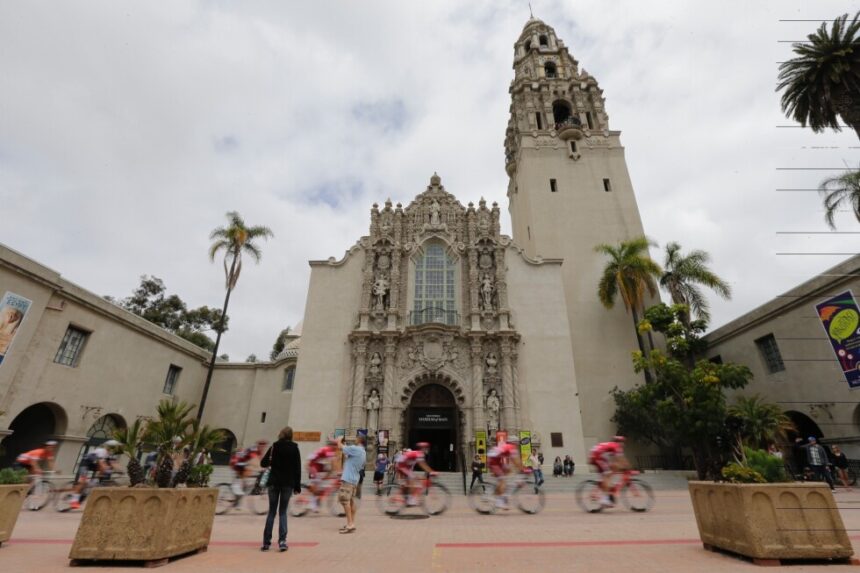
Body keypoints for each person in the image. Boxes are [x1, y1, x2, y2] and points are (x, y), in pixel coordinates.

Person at [260, 426, 301, 552]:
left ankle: (266, 542)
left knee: (271, 512)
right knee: (283, 512)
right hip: (287, 484)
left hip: (273, 483)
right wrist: (297, 486)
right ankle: (282, 541)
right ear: (291, 435)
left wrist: (273, 462)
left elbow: (263, 463)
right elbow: (297, 469)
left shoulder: (274, 446)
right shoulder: (294, 448)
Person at [70, 440, 119, 510]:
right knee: (83, 482)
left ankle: (94, 481)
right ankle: (73, 500)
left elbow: (114, 463)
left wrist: (120, 471)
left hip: (93, 465)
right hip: (85, 464)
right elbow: (101, 463)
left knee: (105, 468)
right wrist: (107, 469)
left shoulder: (109, 454)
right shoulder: (102, 451)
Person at [337, 434, 367, 534]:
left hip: (348, 479)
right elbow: (348, 457)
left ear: (359, 440)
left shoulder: (356, 449)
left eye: (356, 438)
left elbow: (340, 446)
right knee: (350, 502)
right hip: (354, 479)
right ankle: (352, 522)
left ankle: (350, 524)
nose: (355, 439)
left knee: (344, 500)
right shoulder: (363, 452)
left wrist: (339, 439)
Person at [589, 436, 628, 507]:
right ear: (618, 442)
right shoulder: (616, 446)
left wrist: (616, 467)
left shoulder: (611, 445)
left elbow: (615, 461)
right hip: (597, 457)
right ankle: (605, 499)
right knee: (607, 474)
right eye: (622, 442)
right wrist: (627, 467)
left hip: (597, 456)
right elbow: (621, 459)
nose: (623, 444)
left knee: (609, 472)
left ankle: (602, 489)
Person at [486, 439, 525, 509]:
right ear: (515, 443)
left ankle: (498, 490)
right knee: (502, 480)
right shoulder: (512, 448)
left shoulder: (508, 447)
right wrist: (522, 470)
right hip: (493, 461)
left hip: (496, 460)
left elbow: (514, 462)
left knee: (508, 471)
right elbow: (516, 462)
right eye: (517, 444)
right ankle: (499, 501)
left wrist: (518, 469)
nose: (517, 445)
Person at [307, 441, 337, 511]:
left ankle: (316, 500)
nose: (336, 448)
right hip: (314, 466)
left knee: (323, 485)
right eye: (335, 446)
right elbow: (332, 463)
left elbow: (332, 464)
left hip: (319, 466)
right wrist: (336, 472)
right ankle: (312, 504)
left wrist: (331, 472)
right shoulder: (327, 449)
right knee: (316, 484)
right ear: (331, 445)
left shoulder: (329, 450)